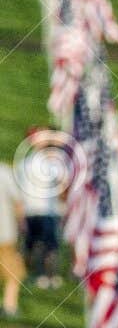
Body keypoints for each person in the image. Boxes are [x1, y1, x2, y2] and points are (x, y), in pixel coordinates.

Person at [20, 132, 66, 289]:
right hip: (46, 210)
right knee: (48, 245)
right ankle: (47, 276)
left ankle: (34, 274)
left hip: (32, 209)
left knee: (33, 244)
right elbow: (62, 187)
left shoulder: (25, 163)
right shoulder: (51, 163)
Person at [0, 161, 24, 318]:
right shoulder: (4, 172)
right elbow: (18, 202)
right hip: (4, 232)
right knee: (15, 272)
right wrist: (22, 224)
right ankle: (9, 306)